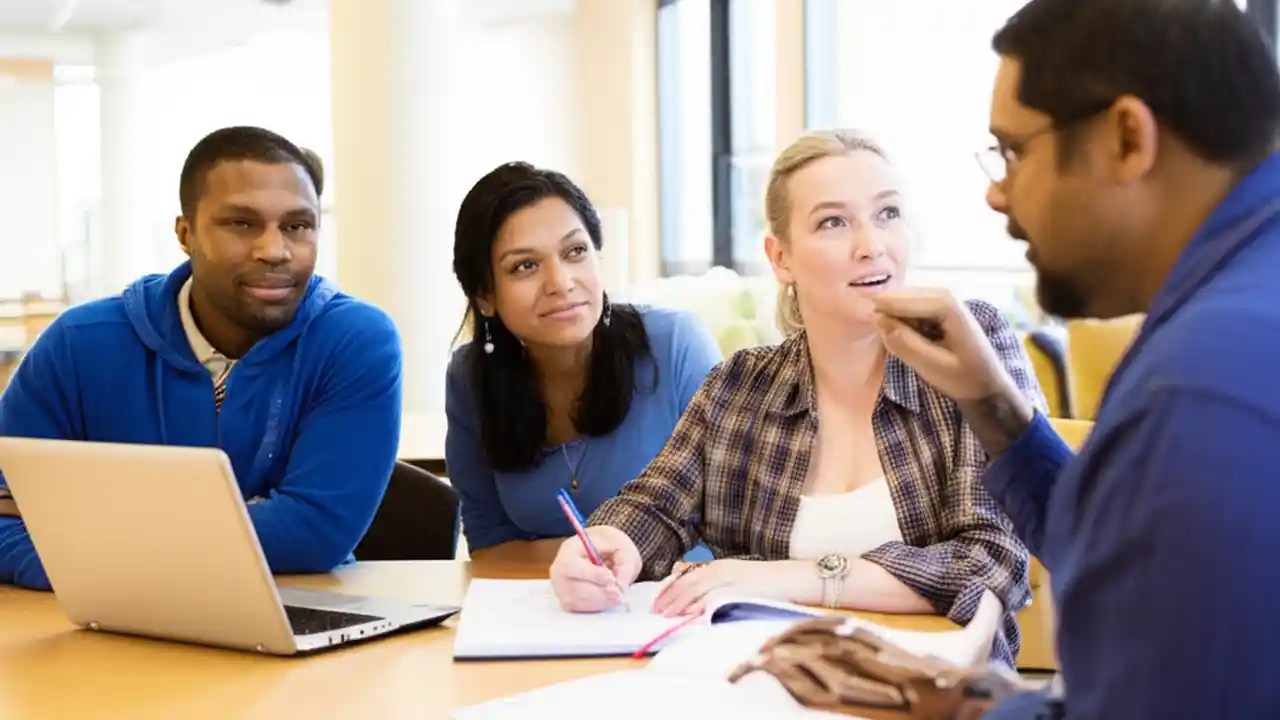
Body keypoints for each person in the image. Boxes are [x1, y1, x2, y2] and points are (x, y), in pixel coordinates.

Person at [871, 0, 1280, 716]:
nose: (996, 193)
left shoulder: (1202, 389)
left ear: (1127, 139)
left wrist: (976, 711)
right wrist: (996, 410)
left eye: (1014, 151)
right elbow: (1149, 567)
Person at [548, 130, 1045, 664]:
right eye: (834, 222)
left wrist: (782, 580)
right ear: (780, 257)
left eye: (888, 214)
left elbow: (993, 562)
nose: (871, 245)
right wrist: (609, 546)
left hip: (939, 696)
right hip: (762, 691)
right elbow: (655, 508)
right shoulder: (740, 385)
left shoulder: (971, 345)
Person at [0, 126, 402, 590]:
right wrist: (100, 575)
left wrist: (94, 546)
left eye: (297, 226)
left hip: (293, 615)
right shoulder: (78, 343)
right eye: (242, 223)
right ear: (185, 233)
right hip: (106, 625)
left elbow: (314, 532)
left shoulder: (355, 340)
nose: (274, 250)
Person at [445, 161, 720, 558]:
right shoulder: (471, 377)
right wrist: (580, 566)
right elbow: (490, 544)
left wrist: (579, 557)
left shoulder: (676, 344)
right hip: (543, 609)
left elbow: (733, 524)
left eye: (575, 252)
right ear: (485, 296)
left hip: (679, 605)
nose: (561, 283)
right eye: (525, 266)